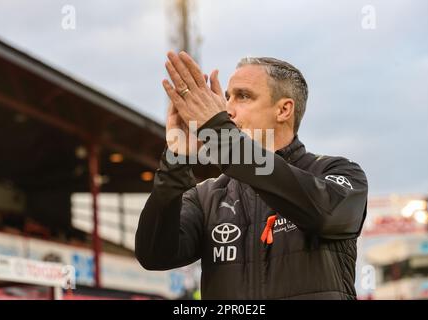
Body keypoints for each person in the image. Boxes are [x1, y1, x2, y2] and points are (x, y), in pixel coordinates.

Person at [135, 51, 368, 299]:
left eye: (243, 96)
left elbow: (324, 215)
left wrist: (219, 131)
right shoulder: (206, 197)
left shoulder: (339, 174)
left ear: (284, 110)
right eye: (227, 98)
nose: (227, 110)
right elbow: (153, 254)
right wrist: (176, 158)